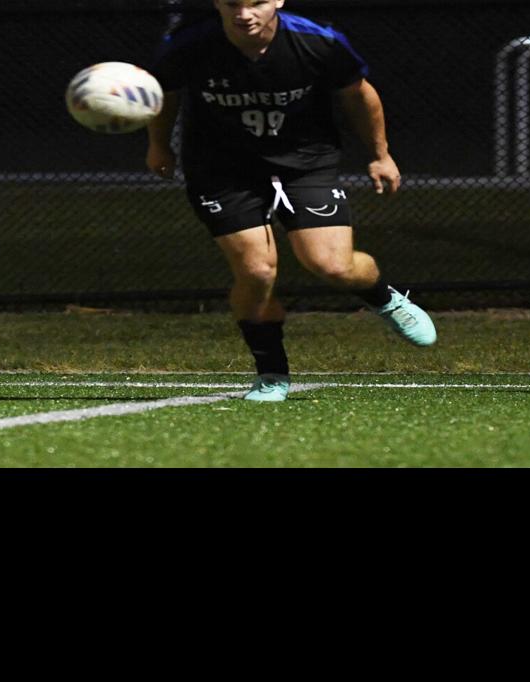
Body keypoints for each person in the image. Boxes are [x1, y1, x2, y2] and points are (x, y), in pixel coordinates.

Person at [147, 0, 435, 402]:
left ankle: (385, 298)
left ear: (278, 1)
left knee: (332, 265)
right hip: (222, 170)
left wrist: (380, 154)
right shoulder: (188, 44)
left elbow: (358, 94)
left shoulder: (318, 41)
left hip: (305, 164)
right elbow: (167, 93)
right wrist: (159, 146)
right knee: (257, 271)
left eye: (256, 3)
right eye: (232, 3)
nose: (243, 13)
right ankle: (271, 374)